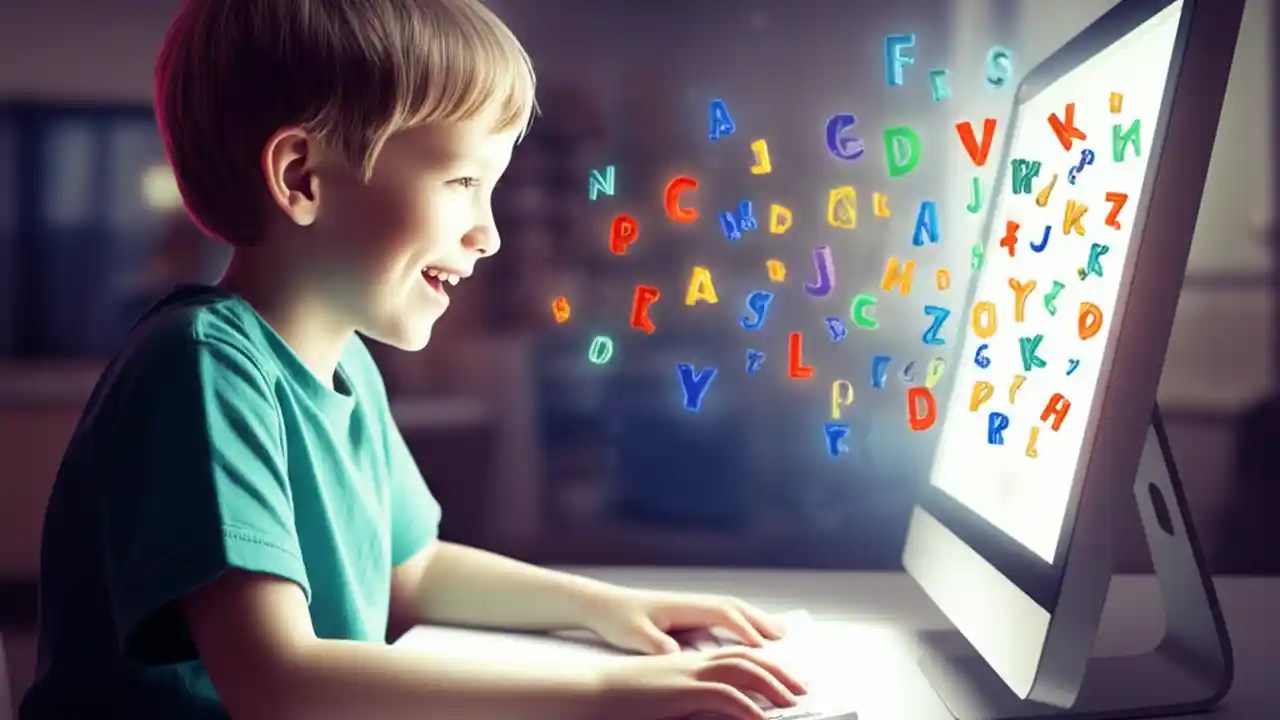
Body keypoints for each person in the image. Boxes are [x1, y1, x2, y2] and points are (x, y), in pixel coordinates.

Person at [19, 1, 808, 718]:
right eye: (462, 180)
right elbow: (276, 681)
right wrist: (606, 694)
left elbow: (411, 571)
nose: (488, 234)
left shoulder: (348, 365)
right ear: (301, 177)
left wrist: (604, 606)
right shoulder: (202, 366)